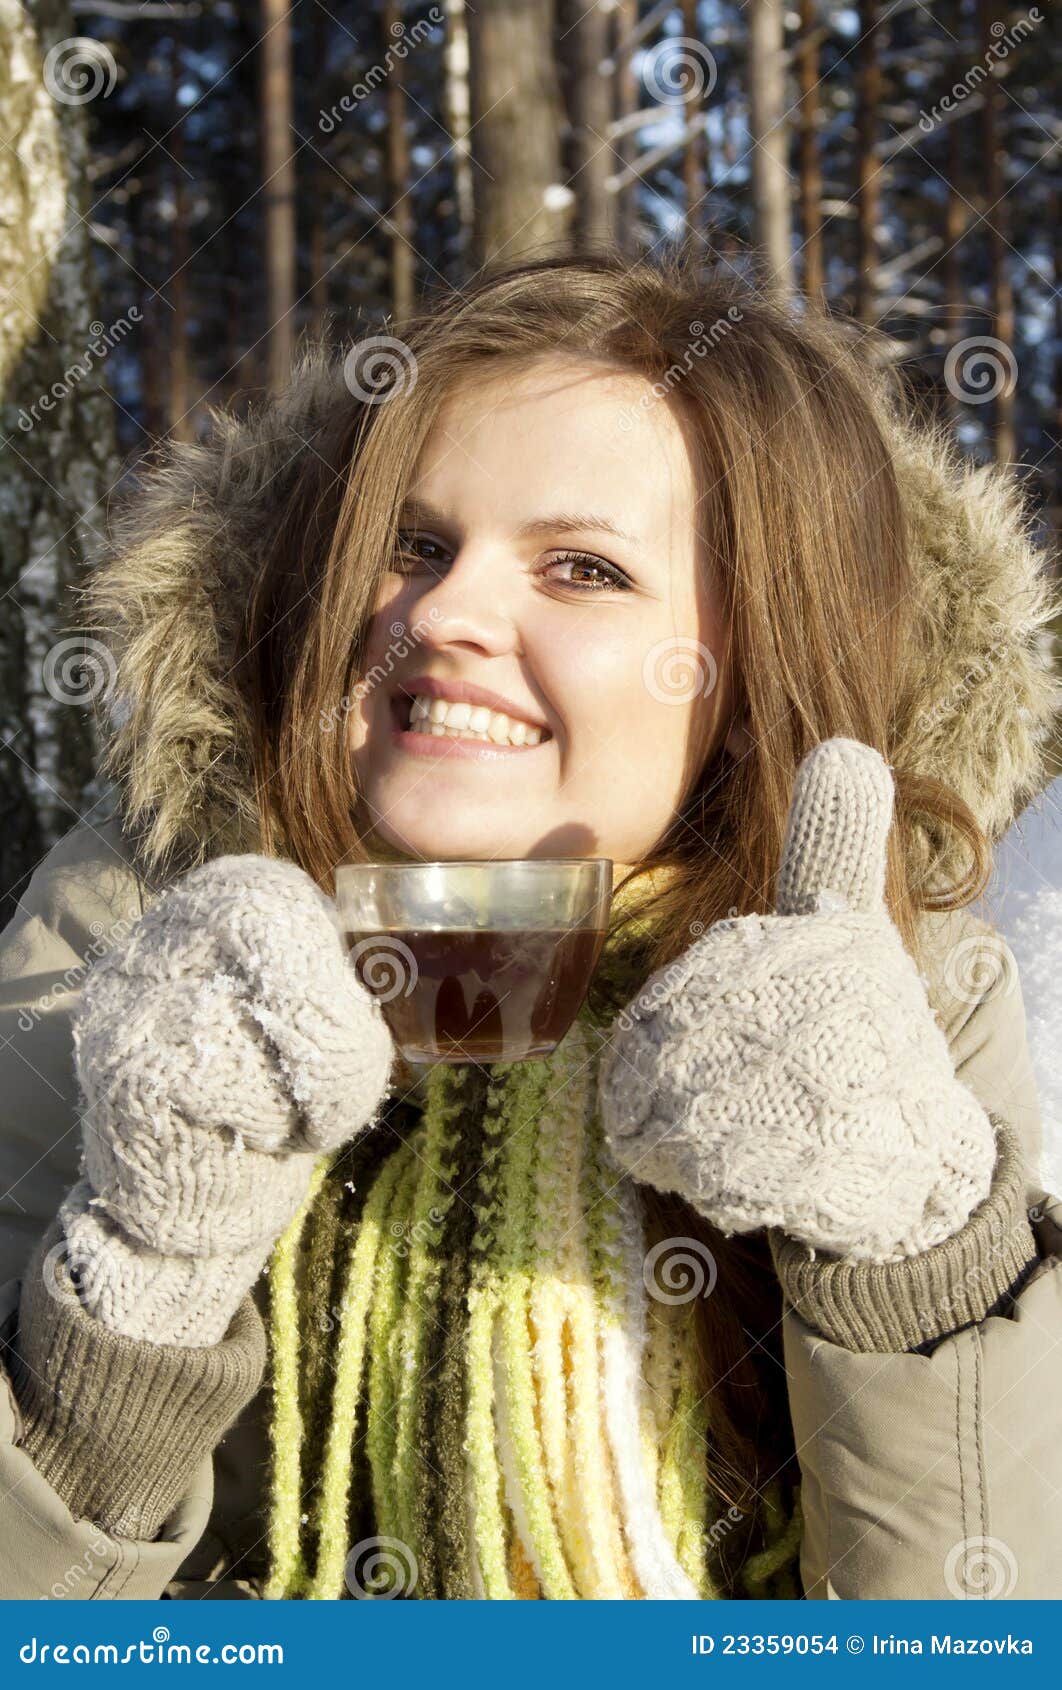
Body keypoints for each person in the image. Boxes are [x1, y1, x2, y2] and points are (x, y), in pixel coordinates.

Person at [1, 253, 1059, 1601]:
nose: (439, 615)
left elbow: (979, 1629)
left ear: (750, 671)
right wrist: (142, 1280)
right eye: (415, 543)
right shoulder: (129, 935)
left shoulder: (908, 981)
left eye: (579, 568)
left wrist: (908, 1255)